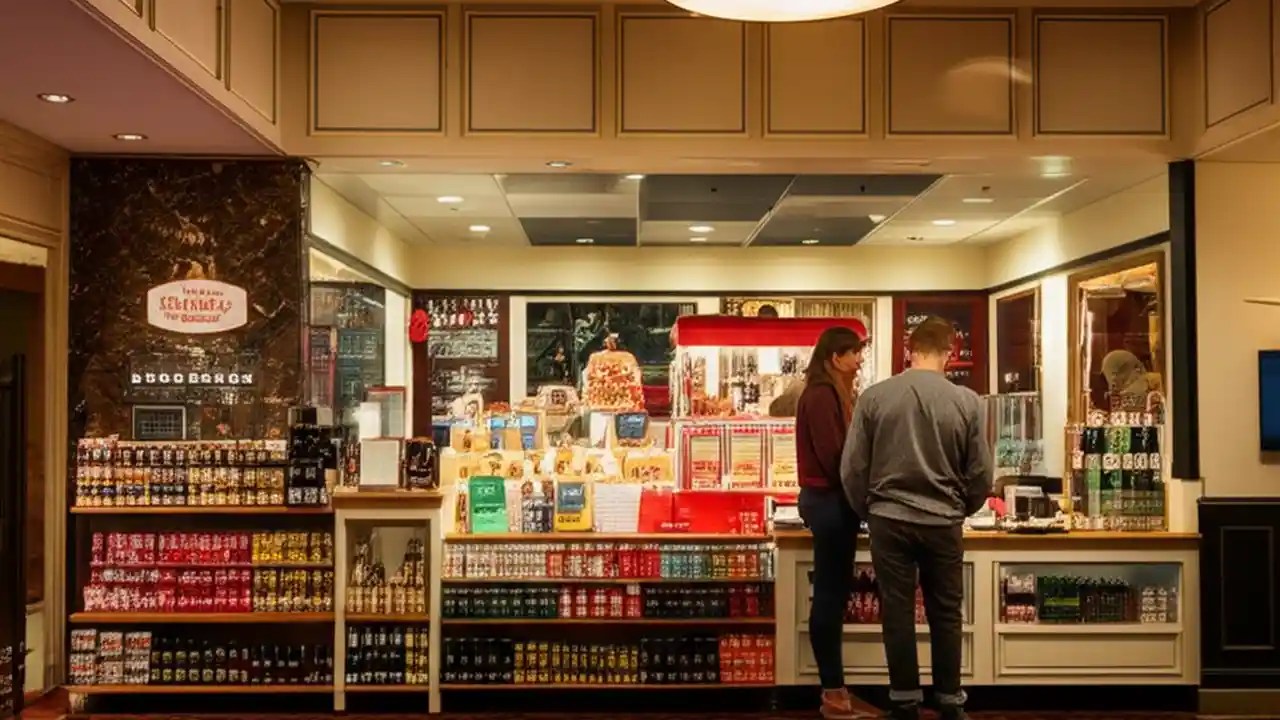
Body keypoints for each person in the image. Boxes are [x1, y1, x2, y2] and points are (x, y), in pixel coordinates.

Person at [840, 317, 992, 720]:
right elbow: (981, 473)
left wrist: (868, 509)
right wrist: (962, 508)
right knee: (946, 612)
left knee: (897, 610)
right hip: (943, 520)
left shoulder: (874, 397)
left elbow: (852, 469)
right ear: (950, 353)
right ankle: (948, 699)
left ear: (909, 349)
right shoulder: (967, 402)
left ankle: (905, 699)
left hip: (889, 519)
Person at [795, 326, 870, 719]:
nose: (859, 360)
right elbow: (834, 457)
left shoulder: (829, 392)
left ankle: (835, 688)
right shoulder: (823, 396)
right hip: (829, 503)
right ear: (834, 357)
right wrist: (862, 492)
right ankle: (833, 691)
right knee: (829, 593)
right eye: (853, 353)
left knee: (833, 591)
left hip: (830, 502)